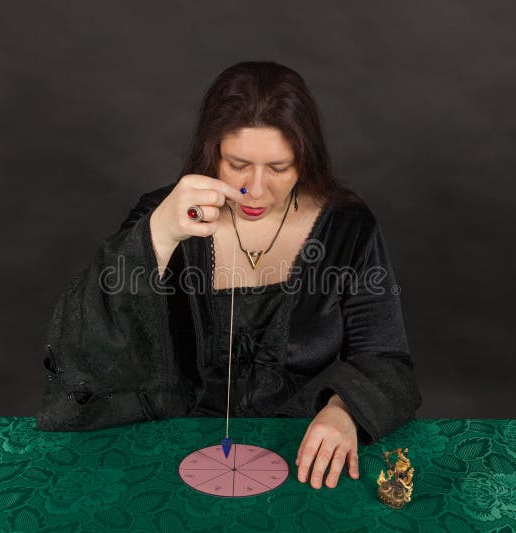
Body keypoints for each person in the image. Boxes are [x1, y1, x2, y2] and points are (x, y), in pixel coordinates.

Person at [35, 61, 422, 490]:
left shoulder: (350, 226)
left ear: (306, 159)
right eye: (238, 164)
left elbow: (387, 358)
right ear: (212, 150)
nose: (255, 190)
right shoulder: (163, 214)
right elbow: (82, 352)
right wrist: (159, 234)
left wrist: (343, 409)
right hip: (172, 458)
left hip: (304, 460)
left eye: (279, 168)